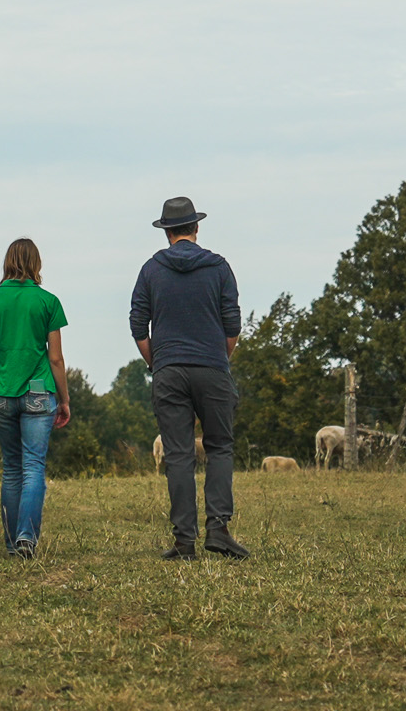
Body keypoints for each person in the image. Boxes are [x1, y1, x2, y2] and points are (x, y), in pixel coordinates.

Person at [129, 196, 247, 560]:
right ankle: (219, 529)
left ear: (166, 232)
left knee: (179, 456)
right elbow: (233, 325)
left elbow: (138, 324)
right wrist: (219, 359)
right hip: (212, 367)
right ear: (196, 228)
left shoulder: (151, 270)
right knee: (219, 447)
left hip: (169, 370)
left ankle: (184, 542)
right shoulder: (219, 267)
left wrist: (157, 362)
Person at [0, 237, 70, 559]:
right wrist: (64, 399)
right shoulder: (48, 301)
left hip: (0, 393)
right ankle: (27, 537)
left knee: (11, 468)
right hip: (40, 392)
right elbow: (56, 358)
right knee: (33, 468)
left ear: (7, 262)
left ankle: (12, 544)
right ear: (36, 264)